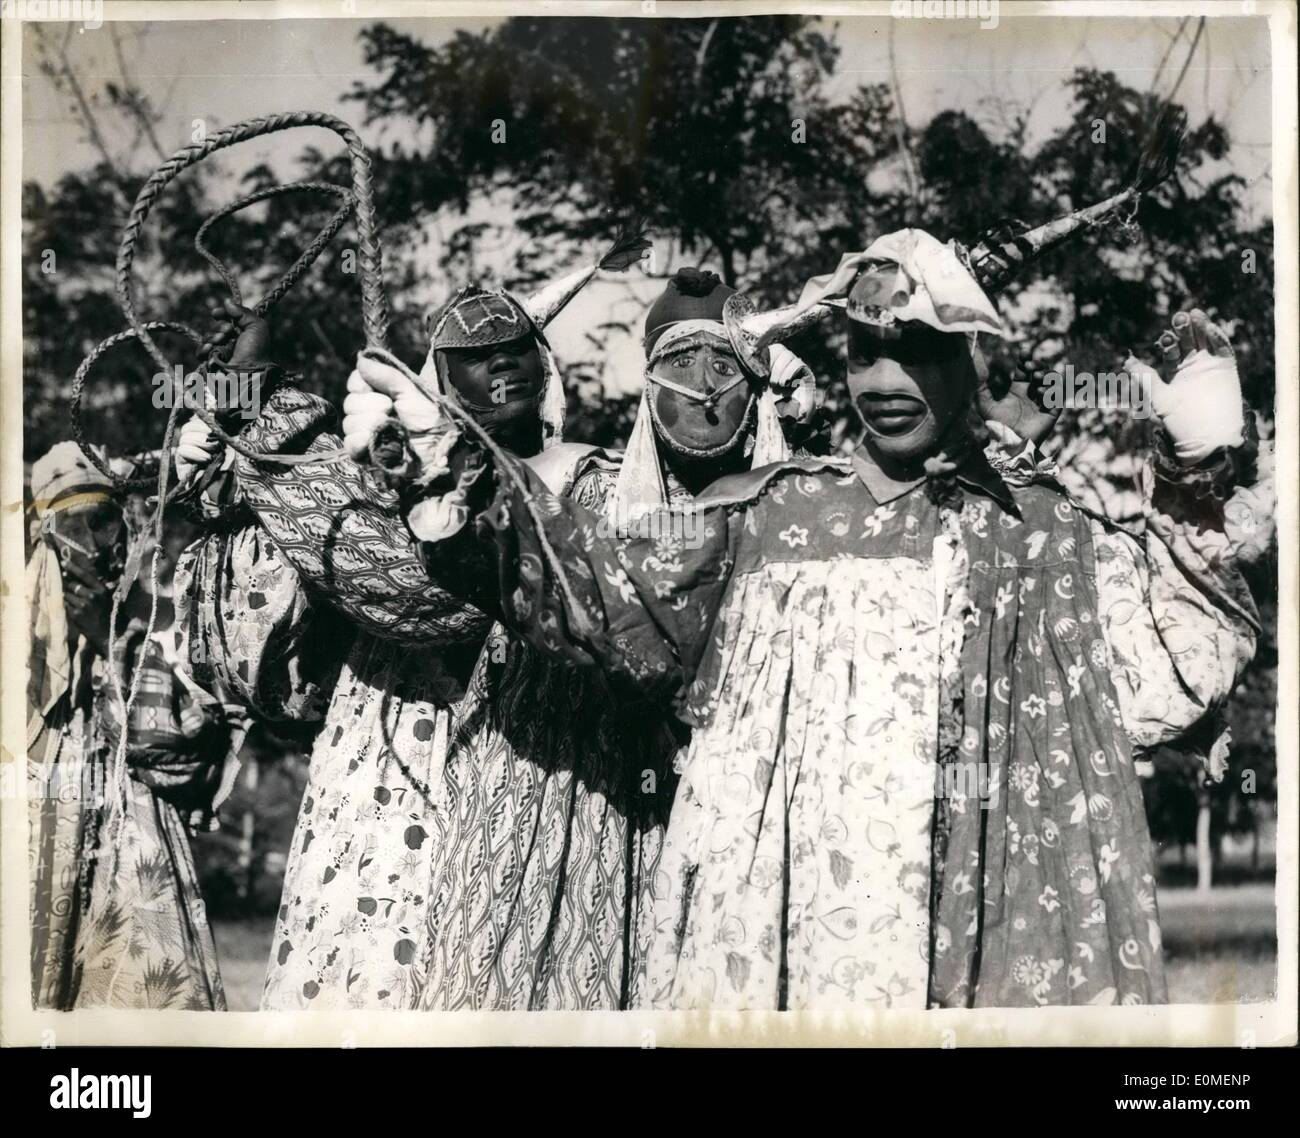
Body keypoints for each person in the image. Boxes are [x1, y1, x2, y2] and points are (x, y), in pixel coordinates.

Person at [347, 227, 1261, 1010]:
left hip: (984, 923)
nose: (888, 378)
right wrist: (442, 477)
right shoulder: (771, 514)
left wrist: (1199, 485)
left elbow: (1166, 675)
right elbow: (604, 606)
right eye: (866, 351)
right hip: (793, 952)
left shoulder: (1037, 524)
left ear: (970, 361)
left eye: (919, 348)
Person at [339, 266, 821, 1009]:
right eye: (678, 366)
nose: (701, 387)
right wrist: (406, 465)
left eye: (723, 366)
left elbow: (669, 586)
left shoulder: (687, 496)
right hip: (519, 769)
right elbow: (414, 591)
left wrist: (788, 419)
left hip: (649, 790)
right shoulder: (561, 490)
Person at [170, 246, 635, 1009]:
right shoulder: (382, 478)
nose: (502, 366)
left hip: (550, 770)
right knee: (379, 984)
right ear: (442, 384)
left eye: (515, 349)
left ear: (546, 367)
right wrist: (238, 394)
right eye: (475, 358)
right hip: (390, 784)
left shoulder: (594, 479)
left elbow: (464, 594)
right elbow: (354, 564)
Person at [27, 442, 234, 1009]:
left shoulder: (165, 617)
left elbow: (187, 751)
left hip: (137, 843)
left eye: (104, 524)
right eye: (73, 528)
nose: (96, 547)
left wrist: (108, 639)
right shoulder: (23, 641)